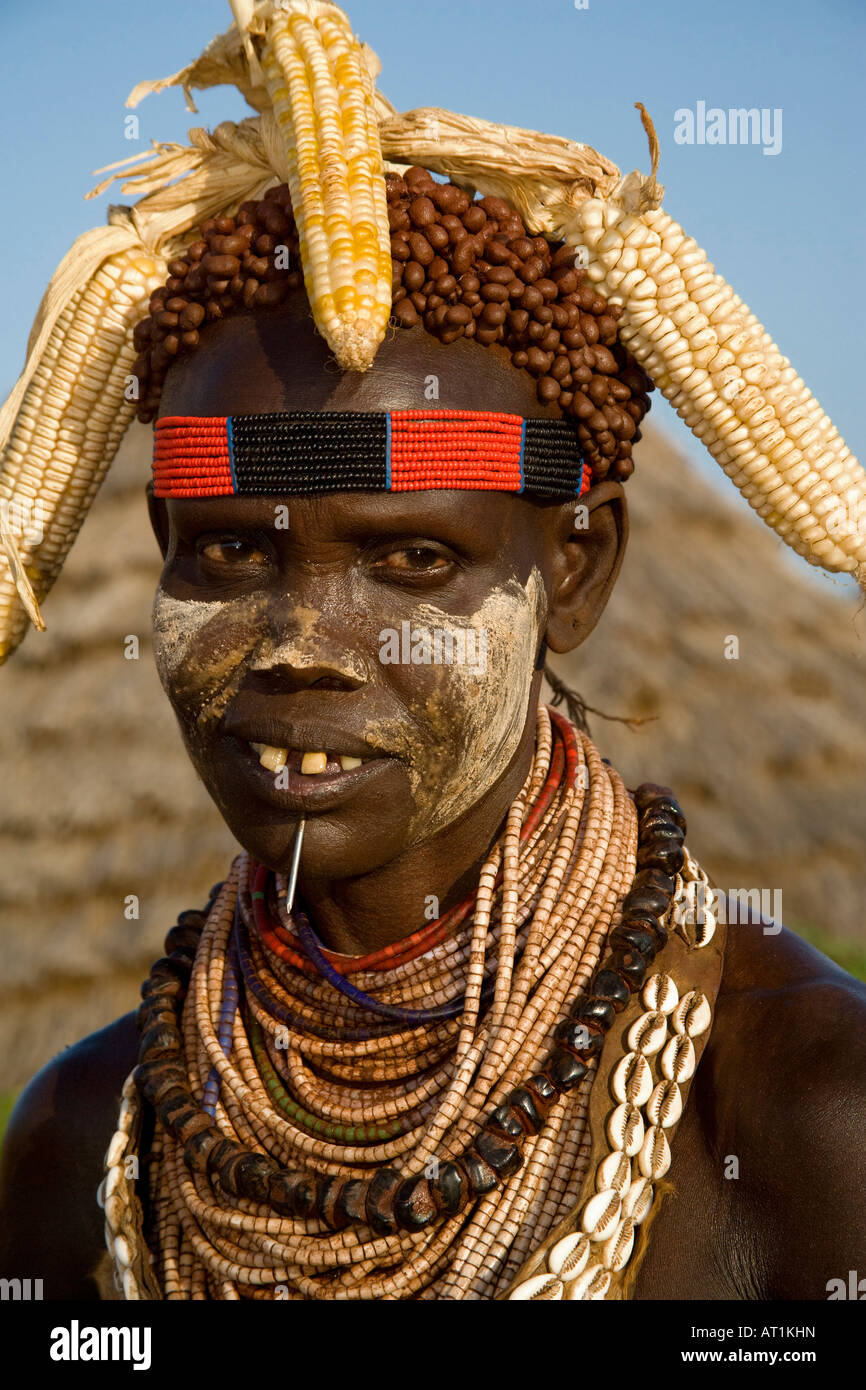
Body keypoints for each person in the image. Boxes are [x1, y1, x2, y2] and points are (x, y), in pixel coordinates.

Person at [0, 1, 864, 1301]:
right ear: (159, 546)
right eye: (232, 553)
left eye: (412, 559)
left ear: (570, 574)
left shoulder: (798, 1106)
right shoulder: (86, 1132)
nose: (299, 646)